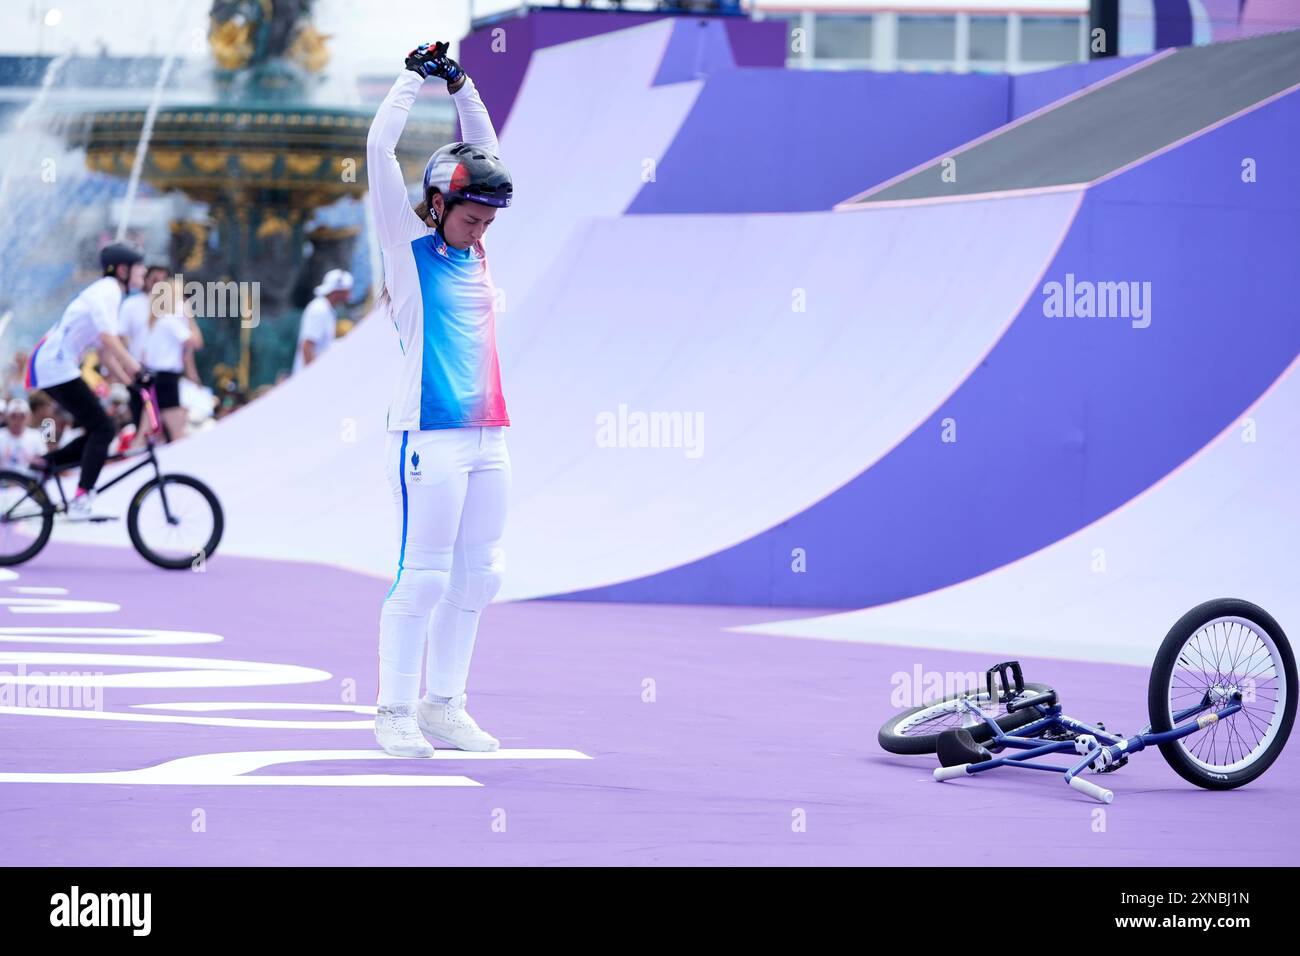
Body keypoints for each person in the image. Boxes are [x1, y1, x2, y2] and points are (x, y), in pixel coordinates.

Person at [367, 40, 513, 757]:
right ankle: (392, 710)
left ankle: (443, 704)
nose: (482, 230)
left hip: (491, 435)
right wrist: (411, 79)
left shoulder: (477, 248)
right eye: (471, 218)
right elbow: (379, 148)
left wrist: (461, 81)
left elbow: (482, 150)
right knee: (422, 577)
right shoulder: (405, 246)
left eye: (488, 220)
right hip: (429, 433)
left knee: (481, 574)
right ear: (436, 204)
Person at [25, 242, 147, 520]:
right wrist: (137, 369)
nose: (143, 274)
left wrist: (130, 382)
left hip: (55, 364)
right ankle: (81, 500)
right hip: (55, 364)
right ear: (124, 270)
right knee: (103, 429)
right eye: (140, 269)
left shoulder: (109, 293)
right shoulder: (108, 291)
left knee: (101, 430)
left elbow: (104, 353)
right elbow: (108, 340)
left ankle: (47, 464)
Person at [137, 274, 203, 443]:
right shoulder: (170, 321)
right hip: (165, 379)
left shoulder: (157, 322)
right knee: (177, 433)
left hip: (156, 377)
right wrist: (189, 318)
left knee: (150, 430)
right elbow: (196, 342)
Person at [293, 268, 352, 373]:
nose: (349, 296)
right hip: (308, 382)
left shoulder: (328, 310)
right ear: (337, 292)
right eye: (347, 291)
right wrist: (313, 378)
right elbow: (307, 347)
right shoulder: (320, 310)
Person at [0, 398, 48, 475]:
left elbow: (43, 461)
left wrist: (37, 462)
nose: (17, 420)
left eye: (22, 416)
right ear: (7, 417)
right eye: (13, 416)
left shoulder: (36, 435)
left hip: (28, 483)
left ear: (28, 417)